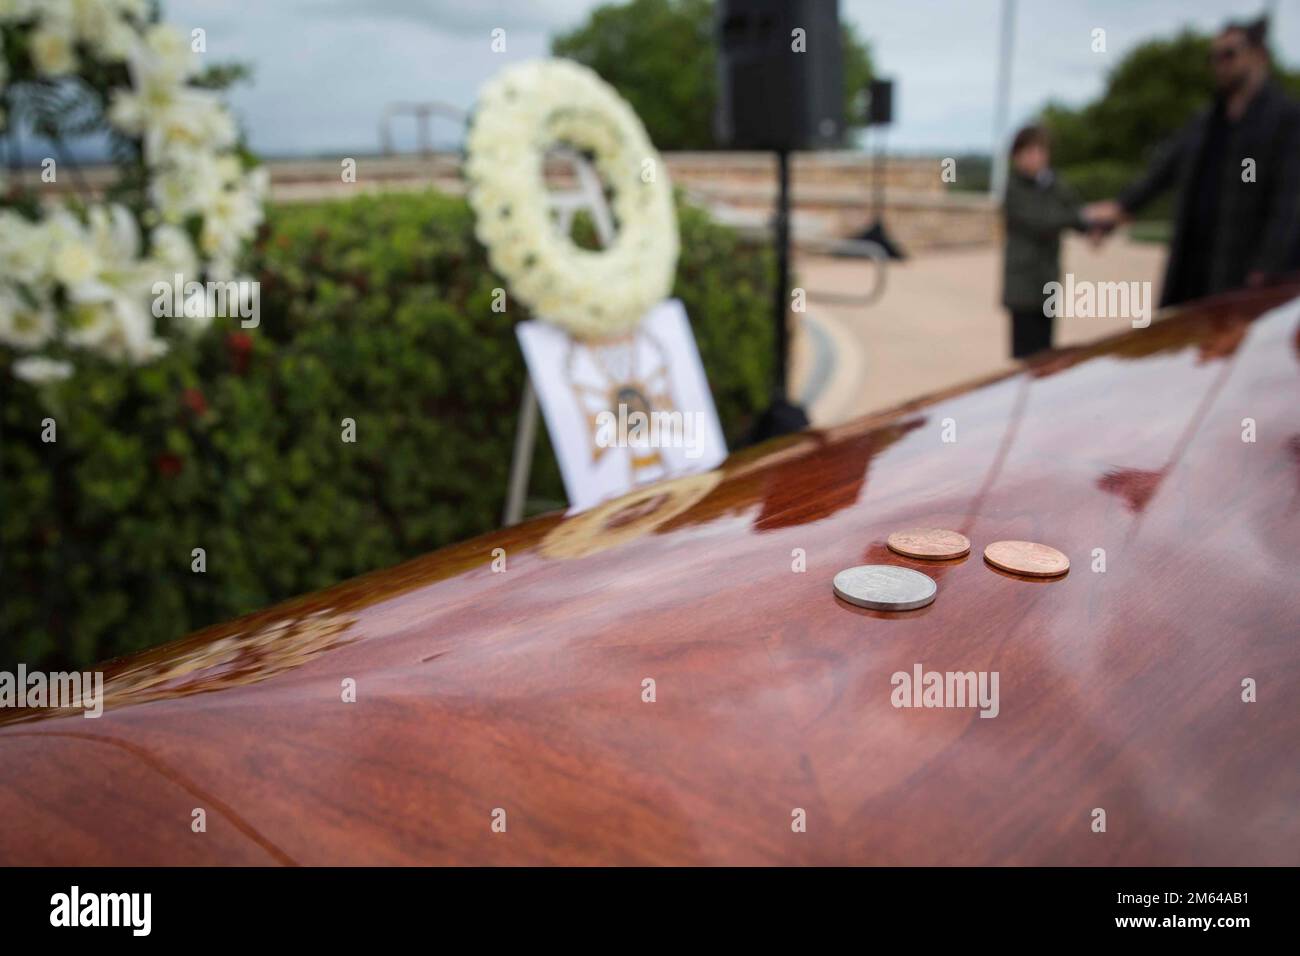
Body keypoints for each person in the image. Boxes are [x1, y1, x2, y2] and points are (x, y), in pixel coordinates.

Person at [1085, 16, 1300, 306]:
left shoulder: (1285, 120)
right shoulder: (1206, 122)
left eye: (1229, 54)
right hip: (1194, 275)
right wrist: (1121, 207)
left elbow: (1289, 203)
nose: (1219, 64)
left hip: (1249, 279)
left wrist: (1267, 269)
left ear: (1259, 56)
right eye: (1214, 57)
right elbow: (1162, 173)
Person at [1001, 125, 1096, 358]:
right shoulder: (1013, 189)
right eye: (1029, 152)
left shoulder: (1053, 184)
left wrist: (1094, 227)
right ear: (1017, 156)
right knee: (1025, 356)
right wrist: (1083, 217)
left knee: (1047, 352)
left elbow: (1074, 211)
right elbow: (1042, 221)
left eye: (1040, 151)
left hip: (1048, 280)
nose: (1036, 158)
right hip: (1022, 284)